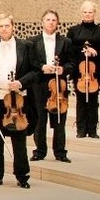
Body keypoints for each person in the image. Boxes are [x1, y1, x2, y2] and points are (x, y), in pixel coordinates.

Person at [0, 15, 40, 189]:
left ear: (13, 27)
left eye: (7, 25)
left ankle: (22, 176)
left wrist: (20, 82)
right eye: (1, 26)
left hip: (17, 99)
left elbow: (36, 71)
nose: (4, 29)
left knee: (18, 138)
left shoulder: (26, 46)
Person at [30, 10, 72, 163]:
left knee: (60, 118)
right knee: (40, 119)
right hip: (40, 83)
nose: (51, 22)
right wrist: (42, 67)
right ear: (42, 22)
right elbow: (30, 63)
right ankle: (39, 151)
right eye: (48, 19)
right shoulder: (32, 41)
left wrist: (63, 69)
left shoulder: (66, 41)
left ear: (57, 22)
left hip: (59, 84)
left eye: (54, 20)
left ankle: (60, 152)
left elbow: (71, 63)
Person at [67, 0, 100, 139]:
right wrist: (83, 49)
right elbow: (68, 49)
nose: (87, 14)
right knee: (80, 99)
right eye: (85, 12)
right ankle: (81, 129)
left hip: (94, 71)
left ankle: (92, 129)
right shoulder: (73, 30)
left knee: (93, 100)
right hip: (78, 71)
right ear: (81, 13)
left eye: (90, 12)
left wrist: (95, 51)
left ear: (94, 13)